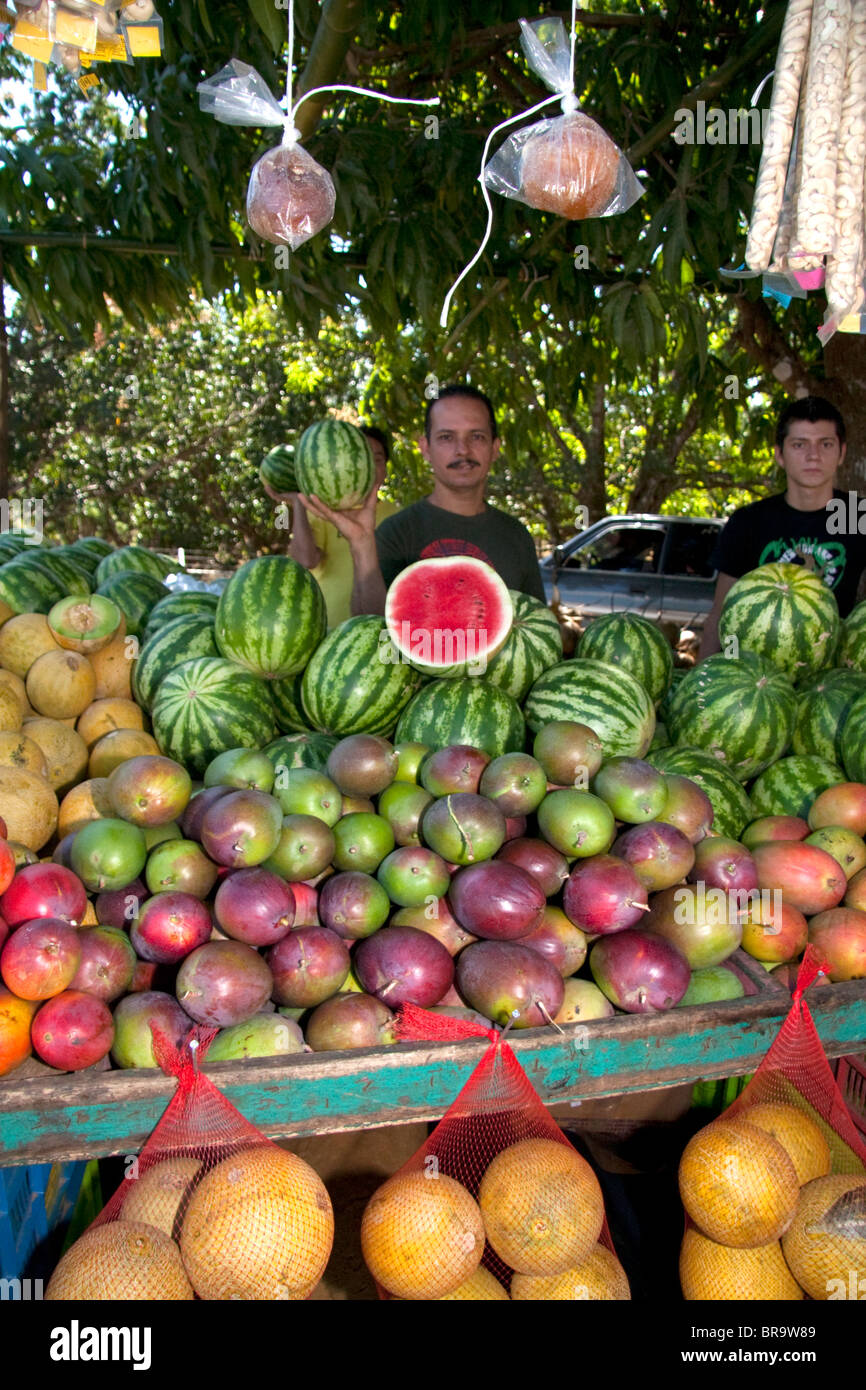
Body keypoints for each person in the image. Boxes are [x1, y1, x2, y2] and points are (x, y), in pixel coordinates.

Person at [299, 384, 546, 616]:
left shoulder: (517, 536)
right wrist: (361, 543)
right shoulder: (396, 532)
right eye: (446, 437)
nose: (462, 450)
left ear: (495, 448)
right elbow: (371, 628)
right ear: (425, 448)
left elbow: (536, 628)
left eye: (477, 437)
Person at [699, 395, 866, 658]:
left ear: (841, 453)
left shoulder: (856, 514)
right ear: (779, 454)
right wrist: (702, 687)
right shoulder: (749, 521)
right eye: (800, 445)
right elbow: (721, 613)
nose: (813, 456)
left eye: (826, 444)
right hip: (759, 674)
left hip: (831, 677)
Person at [263, 425, 399, 629]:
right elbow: (304, 560)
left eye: (377, 459)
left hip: (379, 628)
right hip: (325, 629)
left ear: (386, 468)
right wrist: (300, 501)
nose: (368, 466)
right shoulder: (321, 512)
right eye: (362, 458)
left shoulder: (400, 516)